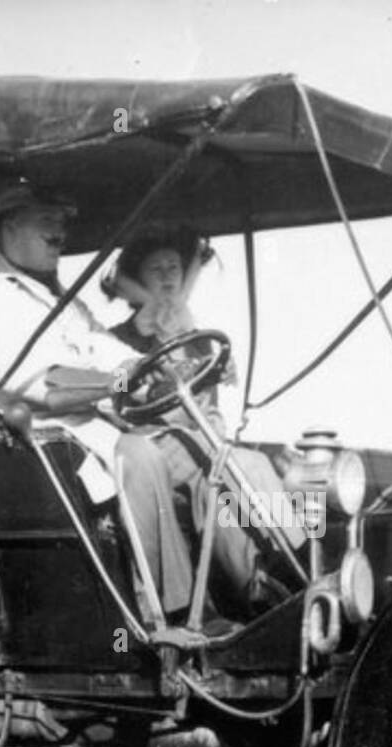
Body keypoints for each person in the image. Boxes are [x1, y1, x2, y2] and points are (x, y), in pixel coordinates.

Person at [0, 181, 293, 624]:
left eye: (64, 221)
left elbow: (110, 351)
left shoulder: (60, 300)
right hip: (50, 443)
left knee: (227, 459)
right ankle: (177, 617)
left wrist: (156, 370)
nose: (61, 231)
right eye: (47, 219)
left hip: (108, 430)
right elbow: (26, 380)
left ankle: (280, 594)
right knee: (140, 455)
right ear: (10, 223)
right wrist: (120, 382)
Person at [102, 226, 307, 614]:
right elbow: (124, 399)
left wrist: (219, 371)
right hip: (154, 443)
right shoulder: (119, 342)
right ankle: (291, 572)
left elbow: (210, 403)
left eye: (174, 267)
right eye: (156, 268)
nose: (167, 276)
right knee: (246, 464)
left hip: (202, 439)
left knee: (256, 468)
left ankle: (270, 579)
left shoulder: (198, 338)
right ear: (139, 277)